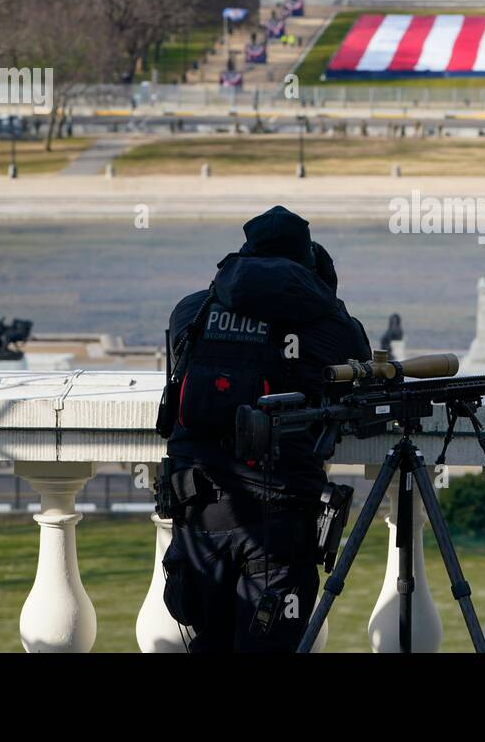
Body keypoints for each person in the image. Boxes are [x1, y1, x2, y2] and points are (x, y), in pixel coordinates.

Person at [158, 206, 371, 652]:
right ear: (307, 265)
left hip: (198, 510)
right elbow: (359, 368)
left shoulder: (193, 311)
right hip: (281, 516)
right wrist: (326, 291)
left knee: (207, 643)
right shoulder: (328, 325)